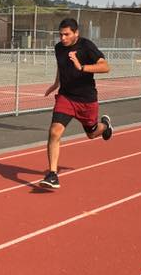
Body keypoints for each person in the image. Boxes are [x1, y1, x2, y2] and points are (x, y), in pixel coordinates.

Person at [40, 18, 113, 189]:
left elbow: (105, 67)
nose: (63, 38)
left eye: (67, 34)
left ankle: (105, 126)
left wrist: (81, 67)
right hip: (66, 97)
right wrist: (56, 84)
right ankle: (52, 174)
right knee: (54, 131)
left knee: (92, 133)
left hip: (86, 99)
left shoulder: (86, 46)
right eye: (60, 34)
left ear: (76, 33)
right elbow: (61, 65)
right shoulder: (58, 48)